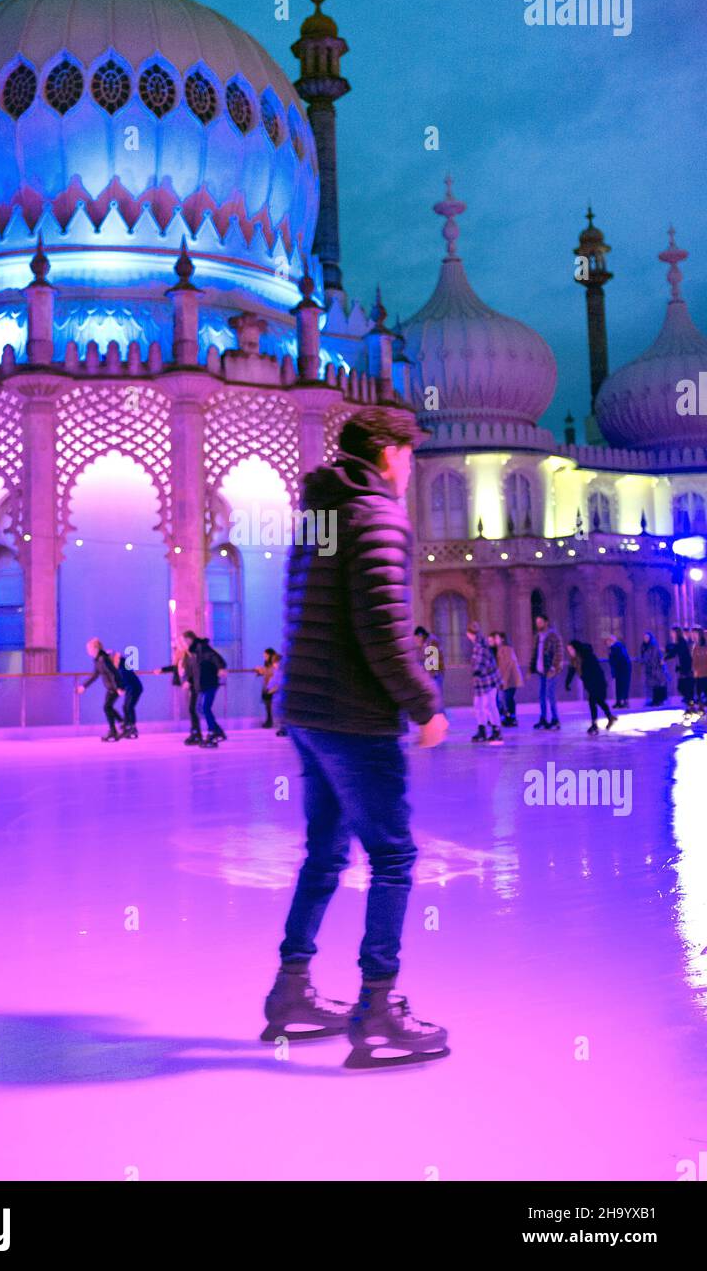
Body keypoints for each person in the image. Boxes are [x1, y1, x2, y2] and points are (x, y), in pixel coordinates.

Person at [267, 406, 449, 1071]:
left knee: (324, 854)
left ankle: (291, 992)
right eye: (405, 454)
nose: (409, 467)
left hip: (310, 712)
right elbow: (383, 627)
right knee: (393, 858)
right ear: (382, 453)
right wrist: (424, 704)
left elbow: (299, 608)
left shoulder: (319, 511)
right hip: (355, 718)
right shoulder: (376, 515)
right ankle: (376, 1012)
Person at [76, 638, 123, 741]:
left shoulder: (103, 659)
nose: (88, 651)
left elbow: (113, 673)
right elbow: (95, 675)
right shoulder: (98, 660)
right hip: (111, 687)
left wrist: (118, 687)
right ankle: (118, 726)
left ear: (95, 648)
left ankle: (116, 728)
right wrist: (84, 686)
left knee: (107, 707)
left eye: (89, 649)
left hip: (115, 686)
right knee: (107, 707)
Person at [565, 640, 617, 734]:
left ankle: (595, 724)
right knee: (599, 701)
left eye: (571, 649)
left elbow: (595, 669)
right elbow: (571, 671)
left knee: (593, 701)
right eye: (568, 650)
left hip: (597, 681)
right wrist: (567, 683)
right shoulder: (574, 659)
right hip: (589, 683)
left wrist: (593, 682)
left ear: (576, 648)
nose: (570, 652)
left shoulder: (586, 655)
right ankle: (609, 717)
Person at [188, 634, 227, 746]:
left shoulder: (205, 651)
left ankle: (213, 731)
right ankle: (216, 730)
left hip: (210, 685)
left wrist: (220, 668)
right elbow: (196, 671)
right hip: (203, 686)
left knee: (205, 708)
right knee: (200, 708)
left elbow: (218, 659)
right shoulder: (197, 654)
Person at [467, 624, 503, 744]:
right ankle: (482, 729)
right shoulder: (479, 645)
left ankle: (496, 730)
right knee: (479, 706)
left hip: (488, 681)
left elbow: (480, 665)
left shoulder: (481, 646)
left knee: (490, 706)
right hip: (483, 682)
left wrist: (475, 671)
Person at [531, 614, 563, 730]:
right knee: (542, 695)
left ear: (546, 622)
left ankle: (555, 719)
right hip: (541, 671)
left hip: (551, 671)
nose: (538, 624)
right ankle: (543, 718)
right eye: (537, 622)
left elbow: (559, 652)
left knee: (551, 695)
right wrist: (531, 668)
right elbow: (535, 653)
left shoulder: (553, 635)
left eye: (540, 622)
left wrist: (553, 668)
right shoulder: (537, 637)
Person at [493, 631, 523, 726]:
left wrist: (504, 679)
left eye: (497, 638)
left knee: (507, 698)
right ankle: (507, 716)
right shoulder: (499, 649)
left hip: (510, 679)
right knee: (504, 698)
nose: (495, 640)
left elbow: (509, 665)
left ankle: (511, 717)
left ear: (502, 639)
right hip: (505, 679)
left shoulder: (506, 649)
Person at [112, 650, 143, 738]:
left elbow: (124, 679)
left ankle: (132, 727)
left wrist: (120, 688)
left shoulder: (122, 668)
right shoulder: (121, 667)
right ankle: (128, 726)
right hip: (131, 688)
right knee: (126, 706)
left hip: (134, 688)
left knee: (129, 706)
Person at [665, 626, 696, 710]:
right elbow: (674, 651)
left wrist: (665, 658)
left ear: (676, 633)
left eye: (672, 632)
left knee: (684, 686)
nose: (671, 634)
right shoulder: (679, 642)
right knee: (684, 687)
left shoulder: (681, 642)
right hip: (683, 667)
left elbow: (675, 652)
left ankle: (691, 704)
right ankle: (690, 704)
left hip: (686, 667)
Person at [414, 626, 444, 707]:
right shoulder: (425, 643)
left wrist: (428, 679)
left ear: (421, 635)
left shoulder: (432, 641)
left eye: (417, 638)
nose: (416, 641)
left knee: (436, 701)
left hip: (435, 675)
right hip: (432, 675)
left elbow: (432, 665)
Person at [640, 631, 668, 706]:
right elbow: (644, 657)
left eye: (647, 637)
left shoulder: (653, 646)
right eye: (644, 637)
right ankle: (655, 700)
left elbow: (656, 656)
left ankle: (658, 700)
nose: (645, 639)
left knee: (658, 684)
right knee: (653, 685)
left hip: (656, 668)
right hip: (650, 668)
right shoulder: (644, 646)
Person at [254, 648, 278, 728]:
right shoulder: (267, 663)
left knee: (270, 705)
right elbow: (268, 672)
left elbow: (273, 672)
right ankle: (269, 720)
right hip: (267, 685)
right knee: (267, 705)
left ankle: (270, 721)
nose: (265, 657)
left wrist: (262, 671)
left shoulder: (275, 662)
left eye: (266, 655)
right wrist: (261, 672)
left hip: (273, 686)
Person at [606, 635, 632, 709]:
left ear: (612, 641)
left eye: (608, 641)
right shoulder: (615, 648)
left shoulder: (617, 647)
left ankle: (624, 702)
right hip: (620, 670)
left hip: (623, 670)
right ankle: (619, 702)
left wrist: (616, 669)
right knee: (619, 686)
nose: (607, 643)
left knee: (623, 685)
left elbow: (618, 660)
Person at [267, 654, 287, 735]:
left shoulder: (283, 673)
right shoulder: (276, 674)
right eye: (274, 663)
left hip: (283, 697)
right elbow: (270, 688)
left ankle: (285, 728)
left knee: (284, 713)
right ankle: (283, 728)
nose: (276, 664)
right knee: (279, 713)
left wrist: (276, 688)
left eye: (277, 662)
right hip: (278, 698)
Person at [692, 628, 707, 708]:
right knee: (699, 691)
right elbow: (694, 659)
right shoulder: (696, 647)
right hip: (699, 673)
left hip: (705, 673)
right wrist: (695, 670)